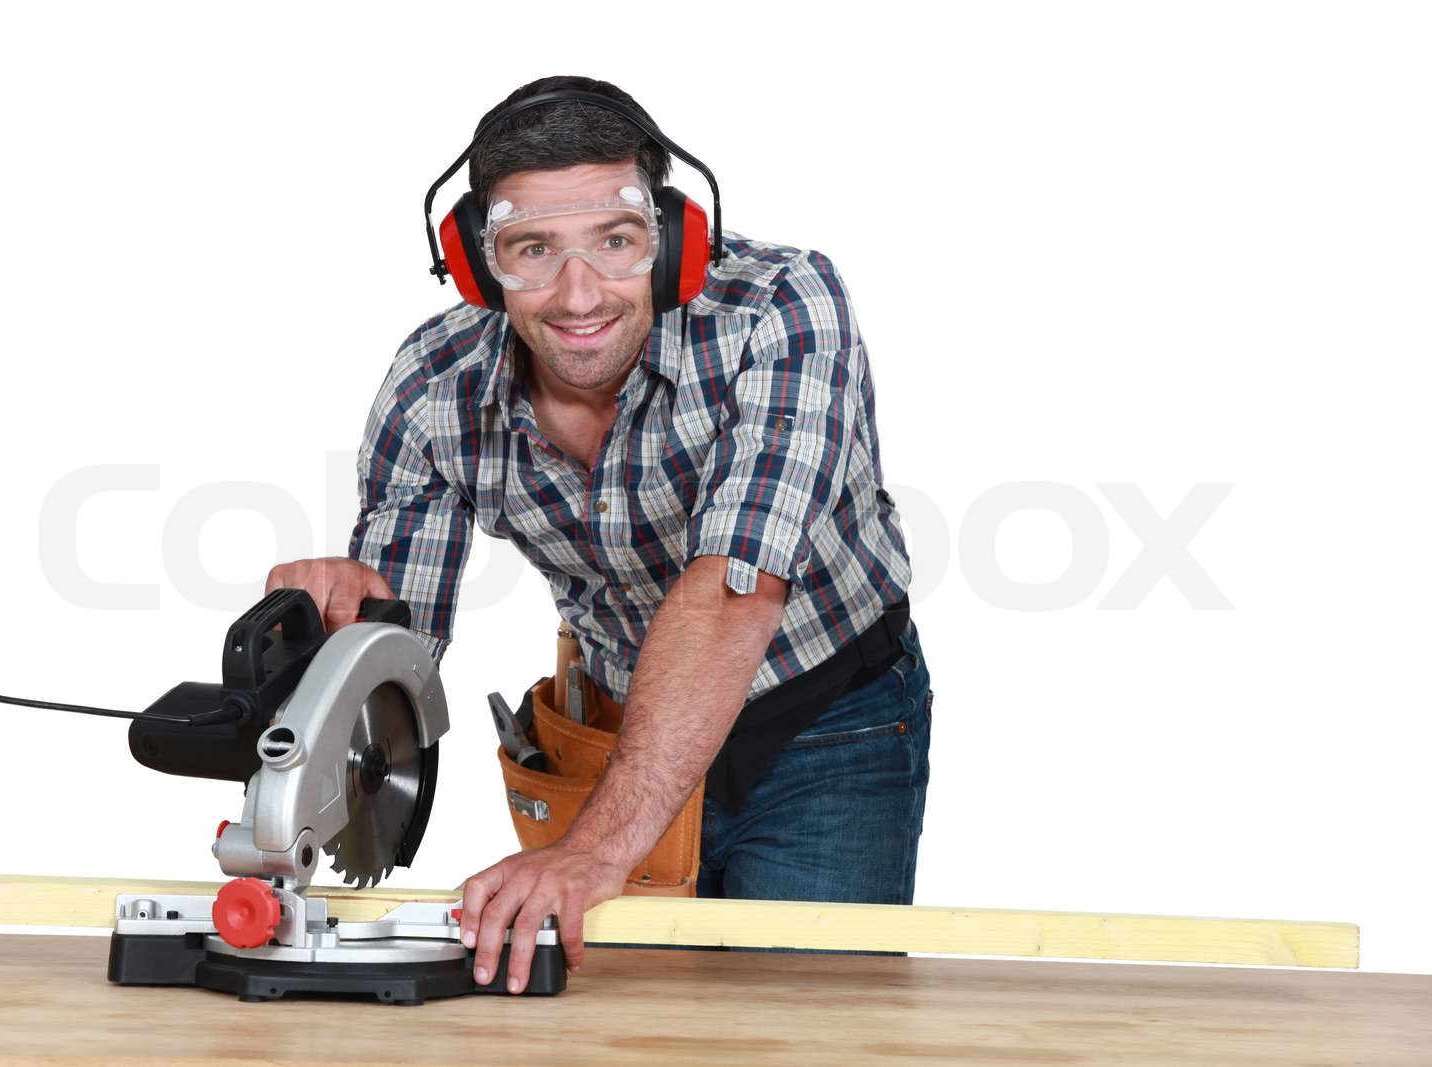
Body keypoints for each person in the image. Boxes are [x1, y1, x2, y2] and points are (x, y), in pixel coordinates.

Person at [265, 75, 932, 994]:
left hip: (825, 721)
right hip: (617, 734)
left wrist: (593, 851)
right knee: (627, 1031)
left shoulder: (782, 305)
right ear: (477, 262)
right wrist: (326, 651)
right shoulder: (433, 384)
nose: (578, 295)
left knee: (808, 1023)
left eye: (615, 242)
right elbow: (396, 659)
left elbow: (738, 587)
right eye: (533, 249)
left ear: (673, 241)